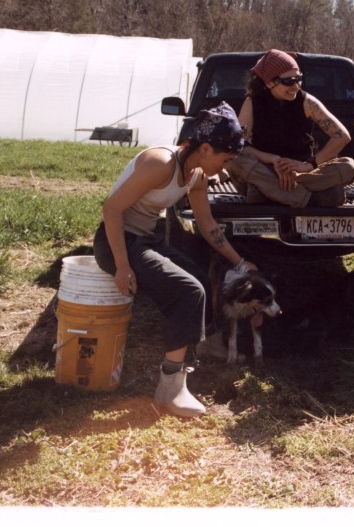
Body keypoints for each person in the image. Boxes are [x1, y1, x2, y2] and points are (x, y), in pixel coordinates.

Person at [93, 102, 253, 418]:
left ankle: (202, 343)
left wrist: (241, 263)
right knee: (188, 291)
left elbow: (208, 227)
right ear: (206, 148)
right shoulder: (160, 163)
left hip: (144, 240)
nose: (224, 169)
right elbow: (111, 209)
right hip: (116, 243)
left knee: (200, 275)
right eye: (225, 159)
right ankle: (170, 388)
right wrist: (123, 266)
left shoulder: (196, 174)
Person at [227, 48, 354, 207]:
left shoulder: (307, 102)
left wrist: (308, 166)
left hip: (302, 172)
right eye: (288, 81)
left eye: (299, 79)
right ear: (269, 82)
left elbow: (342, 136)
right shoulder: (252, 102)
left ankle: (267, 193)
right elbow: (239, 146)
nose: (295, 86)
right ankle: (309, 199)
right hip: (266, 170)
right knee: (234, 161)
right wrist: (273, 160)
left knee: (349, 166)